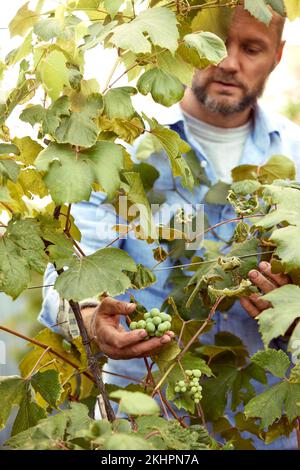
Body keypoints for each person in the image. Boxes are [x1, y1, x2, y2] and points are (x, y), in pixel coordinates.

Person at [39, 4, 300, 449]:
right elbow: (68, 271)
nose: (228, 62)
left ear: (277, 56)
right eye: (215, 42)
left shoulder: (295, 154)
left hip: (269, 431)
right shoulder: (118, 149)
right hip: (143, 429)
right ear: (183, 41)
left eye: (251, 47)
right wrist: (89, 318)